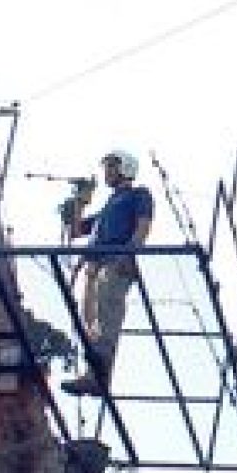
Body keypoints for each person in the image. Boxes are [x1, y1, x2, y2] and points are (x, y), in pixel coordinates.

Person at [62, 149, 154, 397]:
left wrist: (129, 254)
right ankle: (93, 375)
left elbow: (142, 227)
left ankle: (98, 376)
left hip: (116, 263)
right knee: (90, 320)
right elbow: (75, 230)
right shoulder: (107, 208)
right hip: (94, 267)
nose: (107, 173)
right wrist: (80, 201)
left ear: (126, 168)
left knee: (106, 317)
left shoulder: (138, 195)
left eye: (112, 167)